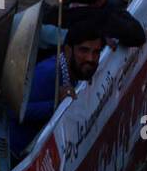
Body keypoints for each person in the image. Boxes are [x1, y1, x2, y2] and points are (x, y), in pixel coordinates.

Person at [11, 24, 103, 155]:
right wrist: (54, 105)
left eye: (96, 52)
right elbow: (13, 111)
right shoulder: (48, 73)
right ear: (67, 50)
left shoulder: (72, 73)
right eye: (84, 50)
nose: (90, 58)